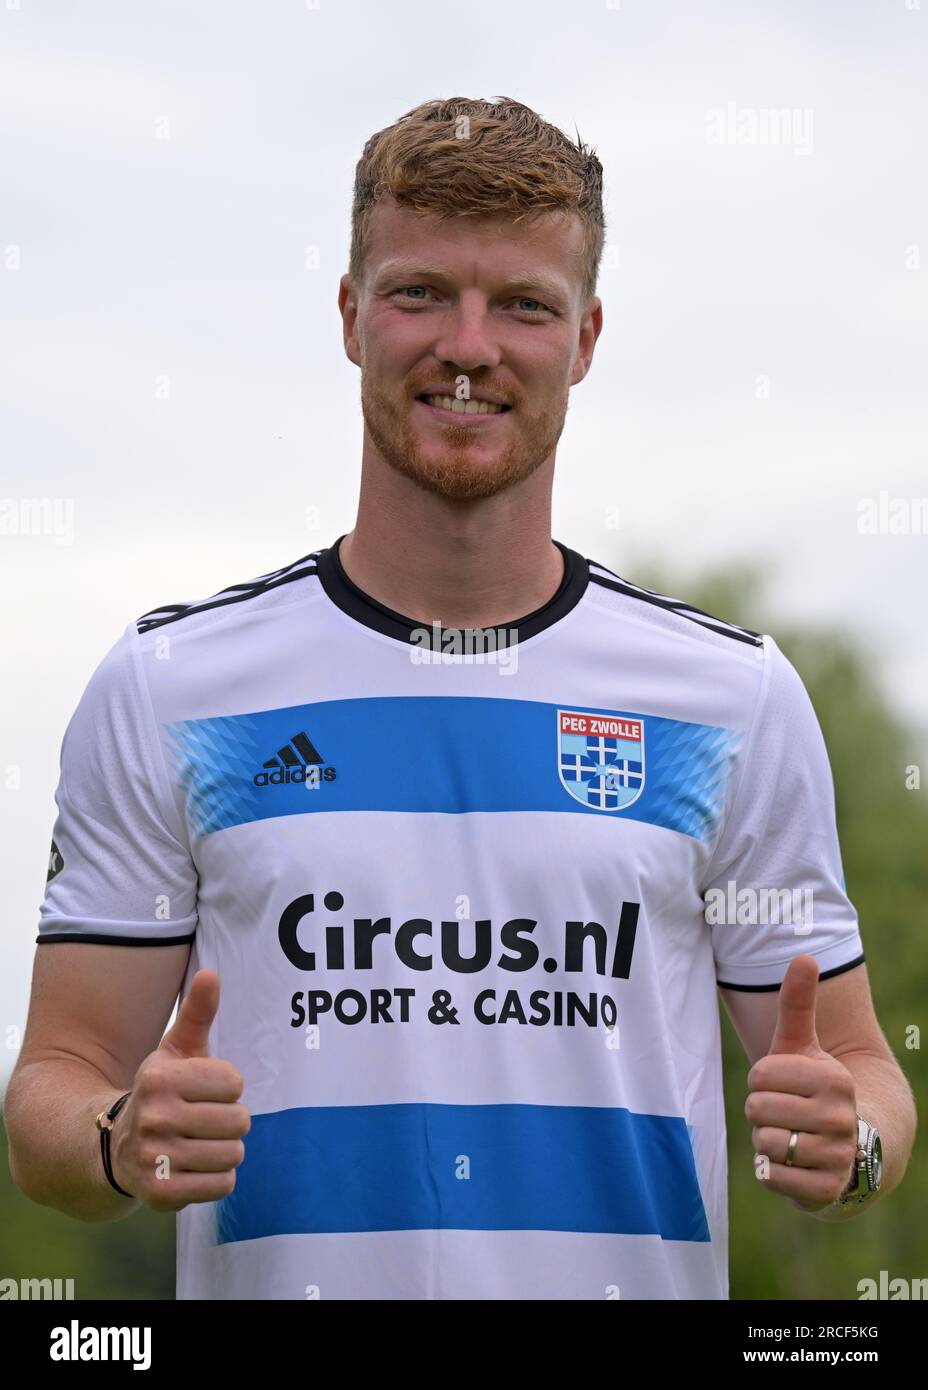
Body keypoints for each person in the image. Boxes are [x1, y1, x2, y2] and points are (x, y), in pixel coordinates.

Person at [5, 95, 915, 1301]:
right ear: (349, 316)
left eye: (523, 305)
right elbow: (50, 1098)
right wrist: (120, 1135)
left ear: (585, 338)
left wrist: (847, 1143)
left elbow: (864, 1075)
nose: (470, 345)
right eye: (421, 291)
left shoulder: (728, 697)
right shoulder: (168, 686)